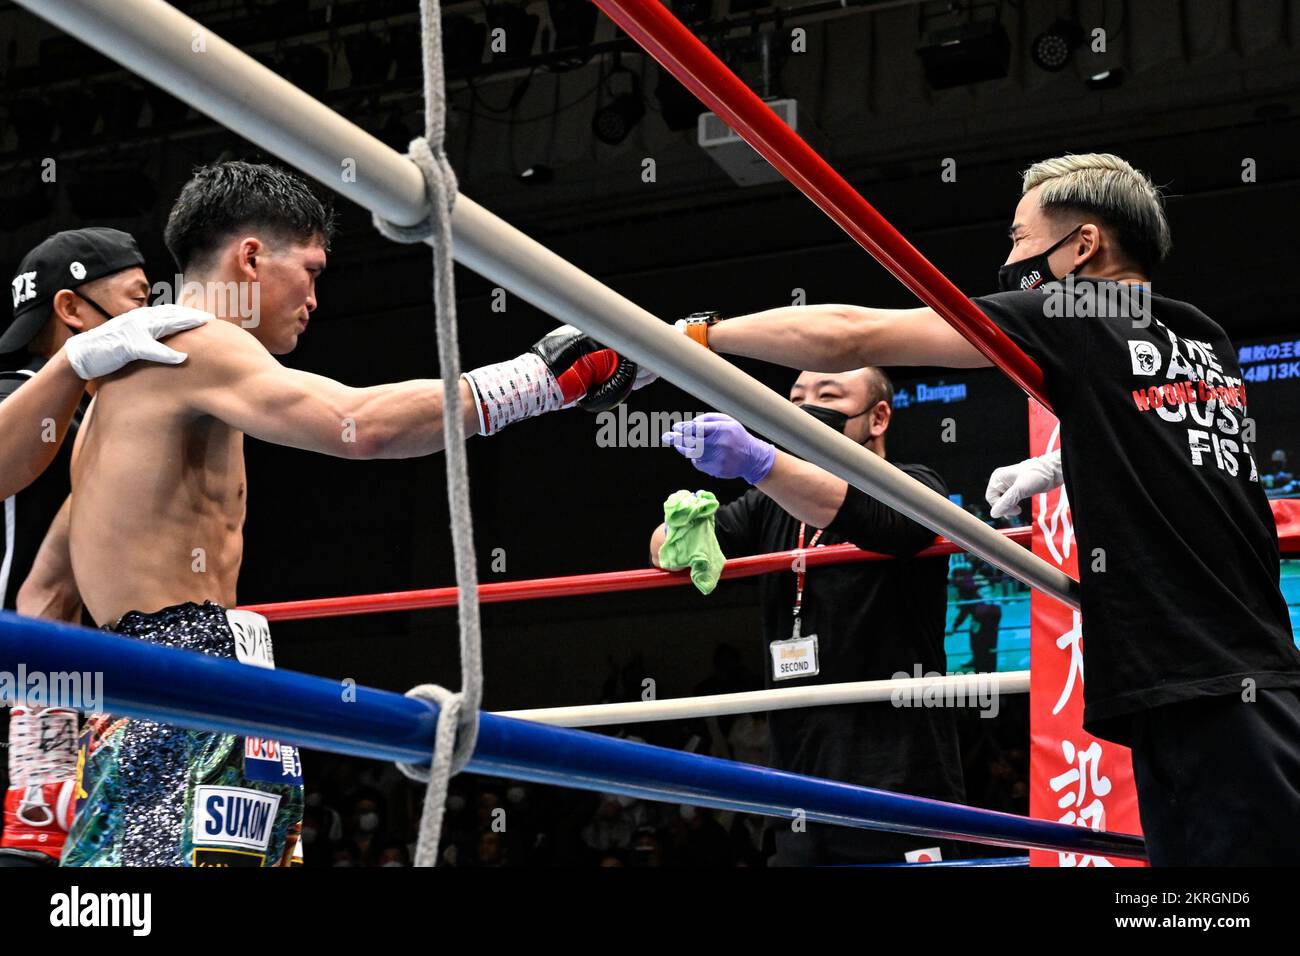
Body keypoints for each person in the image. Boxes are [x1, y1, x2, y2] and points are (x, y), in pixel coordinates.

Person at [665, 153, 1300, 865]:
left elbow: (850, 335)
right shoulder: (1202, 337)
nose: (1009, 260)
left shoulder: (1077, 312)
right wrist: (1054, 465)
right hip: (1226, 674)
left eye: (1020, 239)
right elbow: (1163, 443)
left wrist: (693, 338)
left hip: (1199, 681)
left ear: (1083, 246)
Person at [54, 161, 639, 867]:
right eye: (311, 269)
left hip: (143, 674)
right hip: (185, 671)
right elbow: (359, 424)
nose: (315, 299)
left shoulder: (114, 380)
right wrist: (539, 382)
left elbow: (49, 587)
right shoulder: (196, 342)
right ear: (250, 256)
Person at [650, 368, 966, 865]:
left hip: (898, 784)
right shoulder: (767, 507)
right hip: (796, 786)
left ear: (878, 416)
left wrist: (759, 461)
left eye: (828, 395)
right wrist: (682, 525)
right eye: (794, 398)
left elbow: (883, 520)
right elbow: (666, 551)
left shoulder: (916, 484)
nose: (805, 408)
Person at [0, 227, 208, 867]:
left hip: (73, 695)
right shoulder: (22, 391)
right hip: (32, 695)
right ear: (70, 310)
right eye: (137, 296)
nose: (149, 313)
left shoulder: (106, 408)